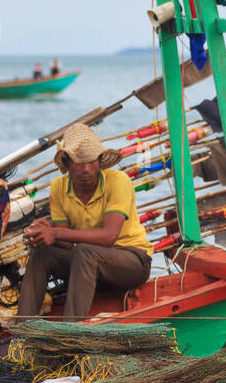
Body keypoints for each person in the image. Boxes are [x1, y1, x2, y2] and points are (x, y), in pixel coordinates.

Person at [16, 123, 153, 319]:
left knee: (86, 251)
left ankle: (70, 332)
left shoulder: (118, 181)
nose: (87, 169)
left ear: (99, 161)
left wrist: (56, 233)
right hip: (89, 266)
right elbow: (65, 242)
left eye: (91, 161)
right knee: (42, 253)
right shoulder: (58, 187)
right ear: (67, 162)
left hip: (132, 263)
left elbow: (109, 237)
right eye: (79, 162)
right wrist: (47, 231)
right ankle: (23, 328)